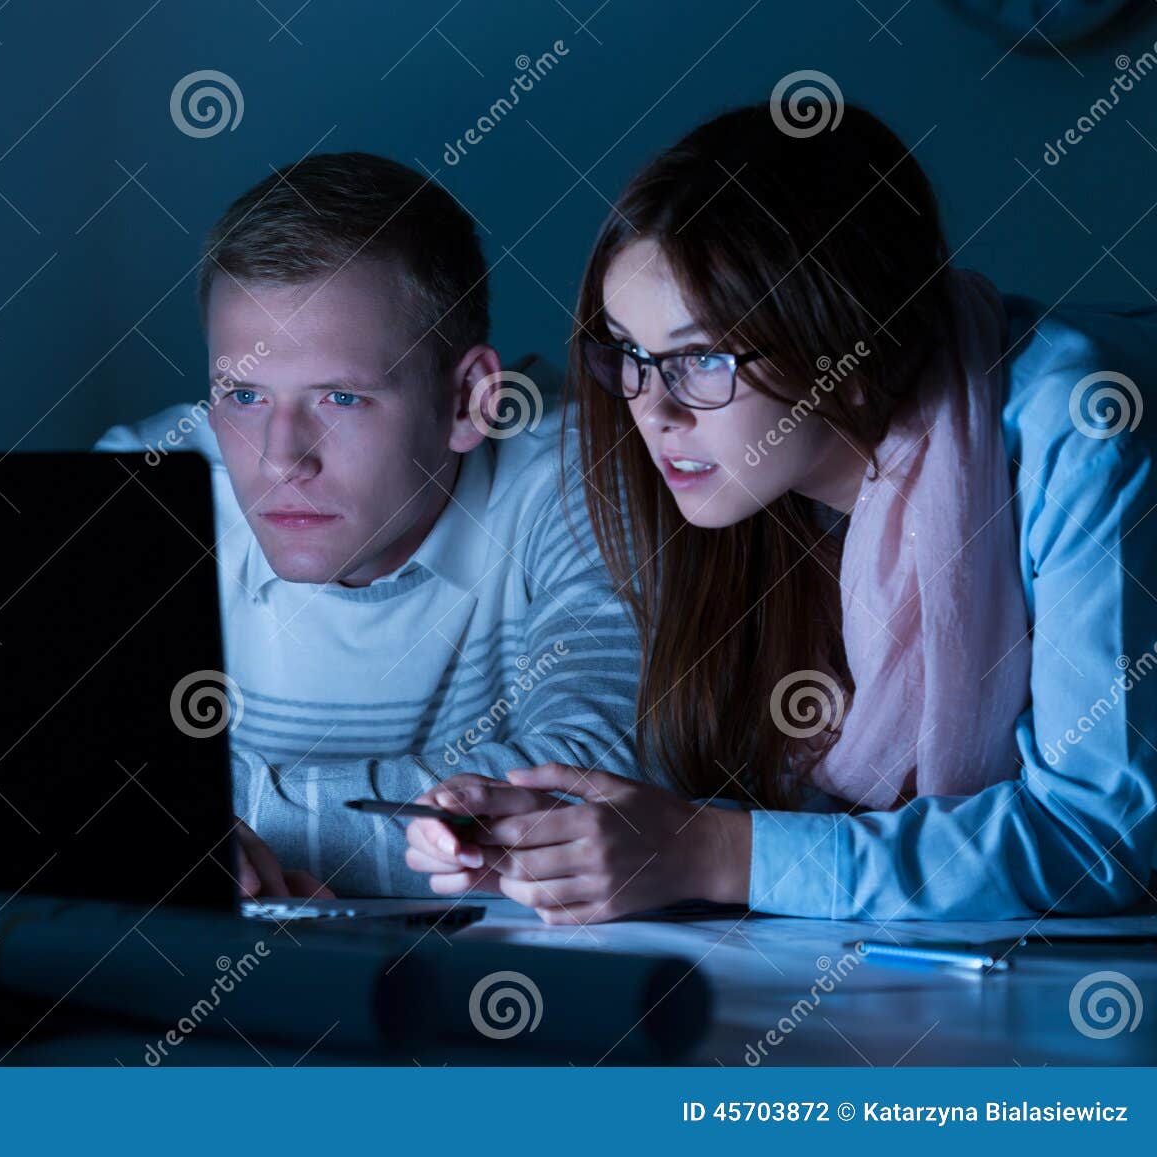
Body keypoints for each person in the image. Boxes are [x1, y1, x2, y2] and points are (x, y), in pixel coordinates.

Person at [405, 103, 1157, 922]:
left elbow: (1099, 838)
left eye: (702, 357)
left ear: (847, 352)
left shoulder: (1081, 428)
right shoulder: (745, 483)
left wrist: (711, 852)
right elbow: (748, 807)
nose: (652, 409)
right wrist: (562, 837)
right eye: (628, 351)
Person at [95, 153, 648, 897]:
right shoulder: (146, 486)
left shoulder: (584, 475)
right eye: (245, 396)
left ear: (469, 402)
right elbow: (43, 776)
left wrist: (192, 828)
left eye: (340, 398)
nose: (282, 459)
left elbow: (594, 792)